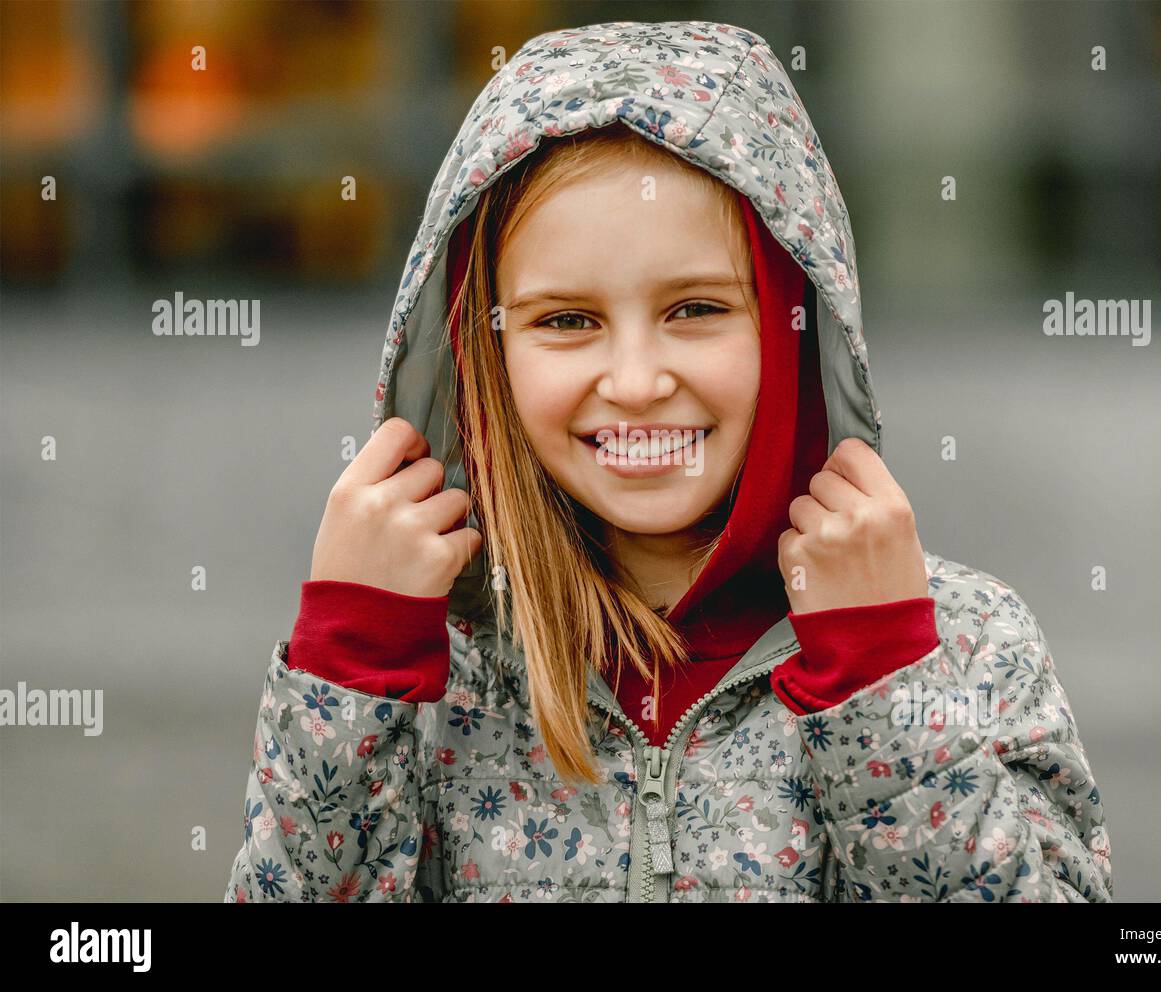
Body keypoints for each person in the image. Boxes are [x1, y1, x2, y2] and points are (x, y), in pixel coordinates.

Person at [224, 20, 1112, 903]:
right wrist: (353, 658)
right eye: (566, 320)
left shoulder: (963, 645)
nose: (637, 383)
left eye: (695, 310)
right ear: (485, 353)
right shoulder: (420, 667)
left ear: (795, 325)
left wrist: (879, 674)